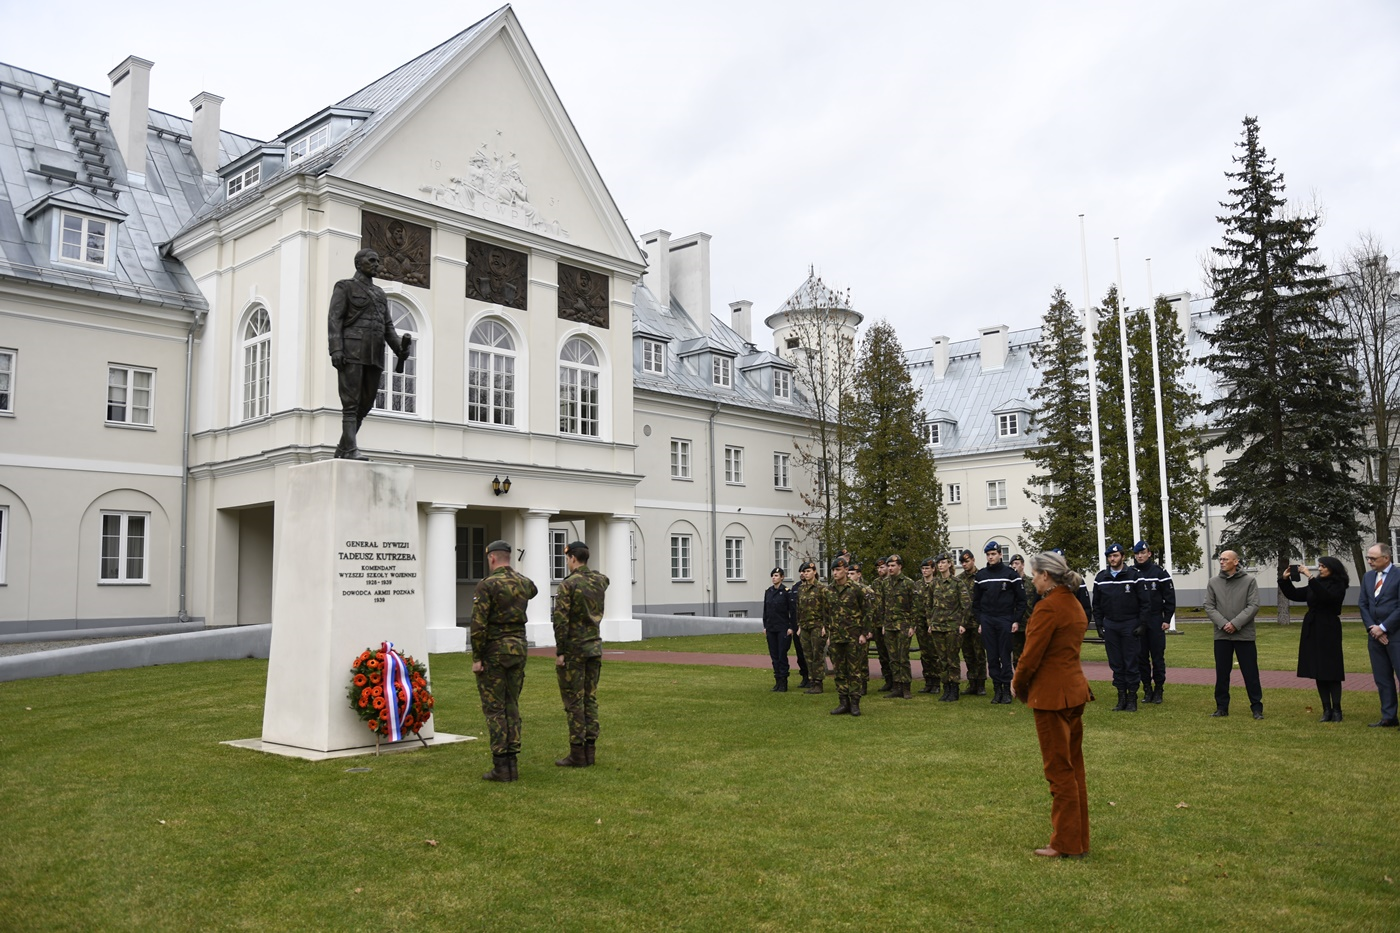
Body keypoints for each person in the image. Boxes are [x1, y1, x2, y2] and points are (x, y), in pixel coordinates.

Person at [1012, 551, 1092, 859]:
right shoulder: (1074, 604)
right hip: (1074, 691)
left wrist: (1017, 685)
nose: (1032, 579)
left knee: (1059, 770)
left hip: (1051, 697)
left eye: (1034, 574)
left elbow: (1030, 657)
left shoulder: (1048, 608)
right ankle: (1077, 840)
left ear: (1046, 575)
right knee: (1074, 769)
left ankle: (1064, 843)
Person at [327, 248, 412, 459]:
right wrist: (336, 349)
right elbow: (334, 319)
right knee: (351, 402)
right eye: (372, 260)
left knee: (365, 404)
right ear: (359, 264)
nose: (377, 264)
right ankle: (351, 449)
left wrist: (399, 348)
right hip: (351, 351)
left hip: (374, 354)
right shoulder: (344, 286)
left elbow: (388, 327)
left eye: (378, 261)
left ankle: (343, 448)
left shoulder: (380, 294)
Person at [469, 539, 538, 781]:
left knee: (494, 708)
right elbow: (534, 589)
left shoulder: (487, 585)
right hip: (518, 648)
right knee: (512, 704)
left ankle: (501, 766)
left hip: (495, 651)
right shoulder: (523, 582)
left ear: (492, 558)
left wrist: (477, 657)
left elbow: (478, 625)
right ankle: (512, 762)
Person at [552, 540, 609, 767]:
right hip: (594, 646)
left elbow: (560, 621)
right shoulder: (599, 580)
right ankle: (590, 750)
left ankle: (577, 753)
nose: (567, 563)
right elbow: (605, 579)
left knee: (574, 700)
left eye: (567, 558)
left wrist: (560, 651)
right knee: (590, 698)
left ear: (573, 558)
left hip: (575, 650)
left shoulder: (568, 585)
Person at [1278, 557, 1348, 722]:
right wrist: (1284, 579)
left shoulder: (1338, 585)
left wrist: (1309, 577)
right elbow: (1295, 594)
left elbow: (1327, 598)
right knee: (1318, 668)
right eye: (1319, 566)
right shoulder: (1315, 583)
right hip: (1313, 627)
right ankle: (1326, 709)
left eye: (1323, 566)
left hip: (1329, 627)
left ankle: (1337, 709)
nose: (1320, 569)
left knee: (1332, 669)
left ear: (1333, 568)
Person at [1203, 550, 1263, 719]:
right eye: (1220, 559)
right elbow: (1208, 606)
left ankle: (1257, 708)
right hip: (1222, 636)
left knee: (1250, 673)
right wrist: (1224, 624)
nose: (1221, 562)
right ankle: (1222, 707)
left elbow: (1253, 605)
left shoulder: (1249, 581)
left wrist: (1235, 624)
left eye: (1225, 559)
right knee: (1222, 673)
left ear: (1236, 562)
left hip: (1244, 635)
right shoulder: (1213, 582)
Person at [1092, 543, 1148, 712]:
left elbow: (1145, 603)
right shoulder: (1101, 578)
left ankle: (1132, 698)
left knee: (1130, 662)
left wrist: (1142, 624)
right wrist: (1100, 625)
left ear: (1123, 557)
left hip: (1129, 624)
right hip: (1111, 625)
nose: (1113, 559)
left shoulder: (1134, 575)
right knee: (1116, 663)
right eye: (1110, 556)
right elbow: (1097, 605)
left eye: (1116, 556)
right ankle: (1121, 696)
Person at [973, 541, 1026, 704]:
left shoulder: (1011, 574)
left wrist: (1016, 620)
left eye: (993, 554)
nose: (991, 557)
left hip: (1005, 619)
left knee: (1005, 655)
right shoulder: (981, 575)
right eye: (988, 555)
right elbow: (976, 603)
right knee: (992, 656)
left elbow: (1022, 600)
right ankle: (997, 690)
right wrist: (980, 621)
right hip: (988, 619)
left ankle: (1007, 691)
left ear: (1000, 555)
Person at [1359, 542, 1400, 728]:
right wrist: (1372, 629)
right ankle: (1388, 717)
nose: (1369, 561)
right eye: (1368, 558)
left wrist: (1384, 627)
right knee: (1382, 678)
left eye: (1373, 558)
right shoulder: (1368, 577)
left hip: (1396, 635)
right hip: (1374, 637)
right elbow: (1363, 604)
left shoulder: (1398, 575)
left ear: (1386, 558)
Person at [1131, 541, 1175, 704]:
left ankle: (1159, 690)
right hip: (1138, 620)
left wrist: (1166, 619)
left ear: (1149, 554)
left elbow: (1169, 597)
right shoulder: (1131, 572)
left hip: (1155, 619)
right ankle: (1147, 689)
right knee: (1141, 656)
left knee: (1157, 656)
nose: (1140, 556)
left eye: (1142, 553)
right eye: (1137, 554)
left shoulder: (1159, 573)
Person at [826, 558, 870, 716]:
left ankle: (855, 703)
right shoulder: (829, 590)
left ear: (845, 570)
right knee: (839, 671)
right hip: (837, 636)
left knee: (854, 671)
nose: (835, 573)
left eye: (838, 570)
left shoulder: (856, 588)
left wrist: (864, 633)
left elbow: (867, 611)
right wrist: (829, 633)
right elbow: (827, 613)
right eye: (833, 570)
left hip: (853, 636)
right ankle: (843, 702)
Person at [926, 554, 971, 702]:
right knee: (942, 659)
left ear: (950, 564)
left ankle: (954, 688)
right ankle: (946, 687)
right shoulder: (934, 584)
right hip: (938, 626)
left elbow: (966, 605)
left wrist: (962, 624)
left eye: (943, 562)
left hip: (952, 626)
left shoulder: (958, 583)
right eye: (938, 563)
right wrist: (930, 623)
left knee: (952, 659)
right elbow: (929, 605)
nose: (940, 565)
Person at [882, 555, 918, 699]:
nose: (890, 568)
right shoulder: (885, 584)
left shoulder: (908, 583)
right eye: (889, 566)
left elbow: (915, 605)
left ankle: (906, 687)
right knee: (893, 658)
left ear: (900, 566)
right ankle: (896, 686)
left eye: (893, 566)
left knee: (903, 658)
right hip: (890, 625)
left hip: (903, 625)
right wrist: (884, 624)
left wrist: (912, 625)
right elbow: (883, 605)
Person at [793, 561, 829, 695]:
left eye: (808, 571)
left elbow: (827, 609)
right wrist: (799, 626)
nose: (806, 574)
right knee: (807, 654)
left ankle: (819, 682)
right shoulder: (801, 589)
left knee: (817, 654)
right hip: (805, 626)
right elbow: (799, 609)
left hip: (817, 625)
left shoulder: (821, 588)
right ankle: (812, 681)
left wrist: (826, 626)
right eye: (804, 571)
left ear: (814, 572)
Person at [956, 550, 988, 696]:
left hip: (977, 621)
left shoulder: (981, 576)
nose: (964, 564)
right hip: (964, 622)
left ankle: (981, 684)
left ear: (973, 560)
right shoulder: (959, 579)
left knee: (979, 653)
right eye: (962, 562)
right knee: (968, 654)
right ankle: (972, 682)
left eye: (967, 561)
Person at [762, 567, 796, 692]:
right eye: (773, 575)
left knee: (782, 654)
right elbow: (765, 610)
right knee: (774, 655)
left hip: (783, 628)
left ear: (782, 577)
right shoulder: (768, 592)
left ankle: (783, 681)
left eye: (776, 575)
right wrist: (765, 626)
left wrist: (791, 627)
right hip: (771, 628)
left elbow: (792, 611)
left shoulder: (787, 592)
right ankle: (777, 680)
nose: (774, 578)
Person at [870, 556, 893, 693]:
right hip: (877, 623)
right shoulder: (875, 583)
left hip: (891, 623)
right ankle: (888, 680)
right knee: (882, 655)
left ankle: (898, 681)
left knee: (893, 654)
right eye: (878, 568)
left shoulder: (892, 582)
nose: (880, 570)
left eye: (882, 567)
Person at [1011, 554, 1036, 670]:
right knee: (1016, 657)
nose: (1015, 566)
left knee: (1031, 655)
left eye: (1017, 563)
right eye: (1013, 564)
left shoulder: (1031, 583)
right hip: (1016, 625)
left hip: (1029, 623)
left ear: (1022, 565)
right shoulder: (1010, 584)